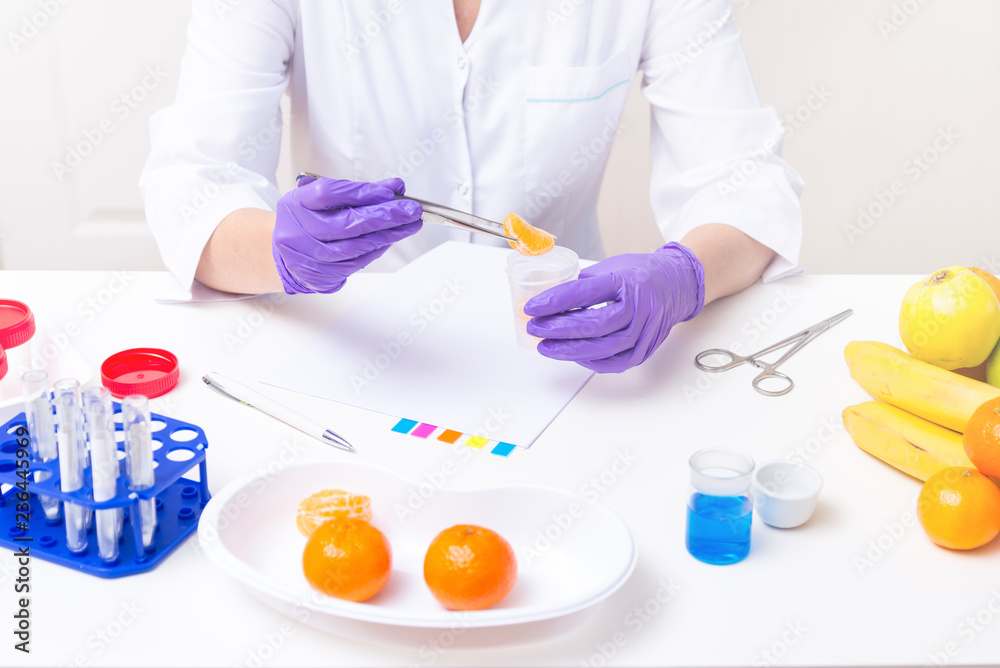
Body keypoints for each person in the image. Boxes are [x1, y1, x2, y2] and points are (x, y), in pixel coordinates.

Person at [140, 0, 803, 373]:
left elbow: (743, 182)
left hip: (564, 353)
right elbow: (194, 184)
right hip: (351, 348)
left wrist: (682, 278)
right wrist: (278, 250)